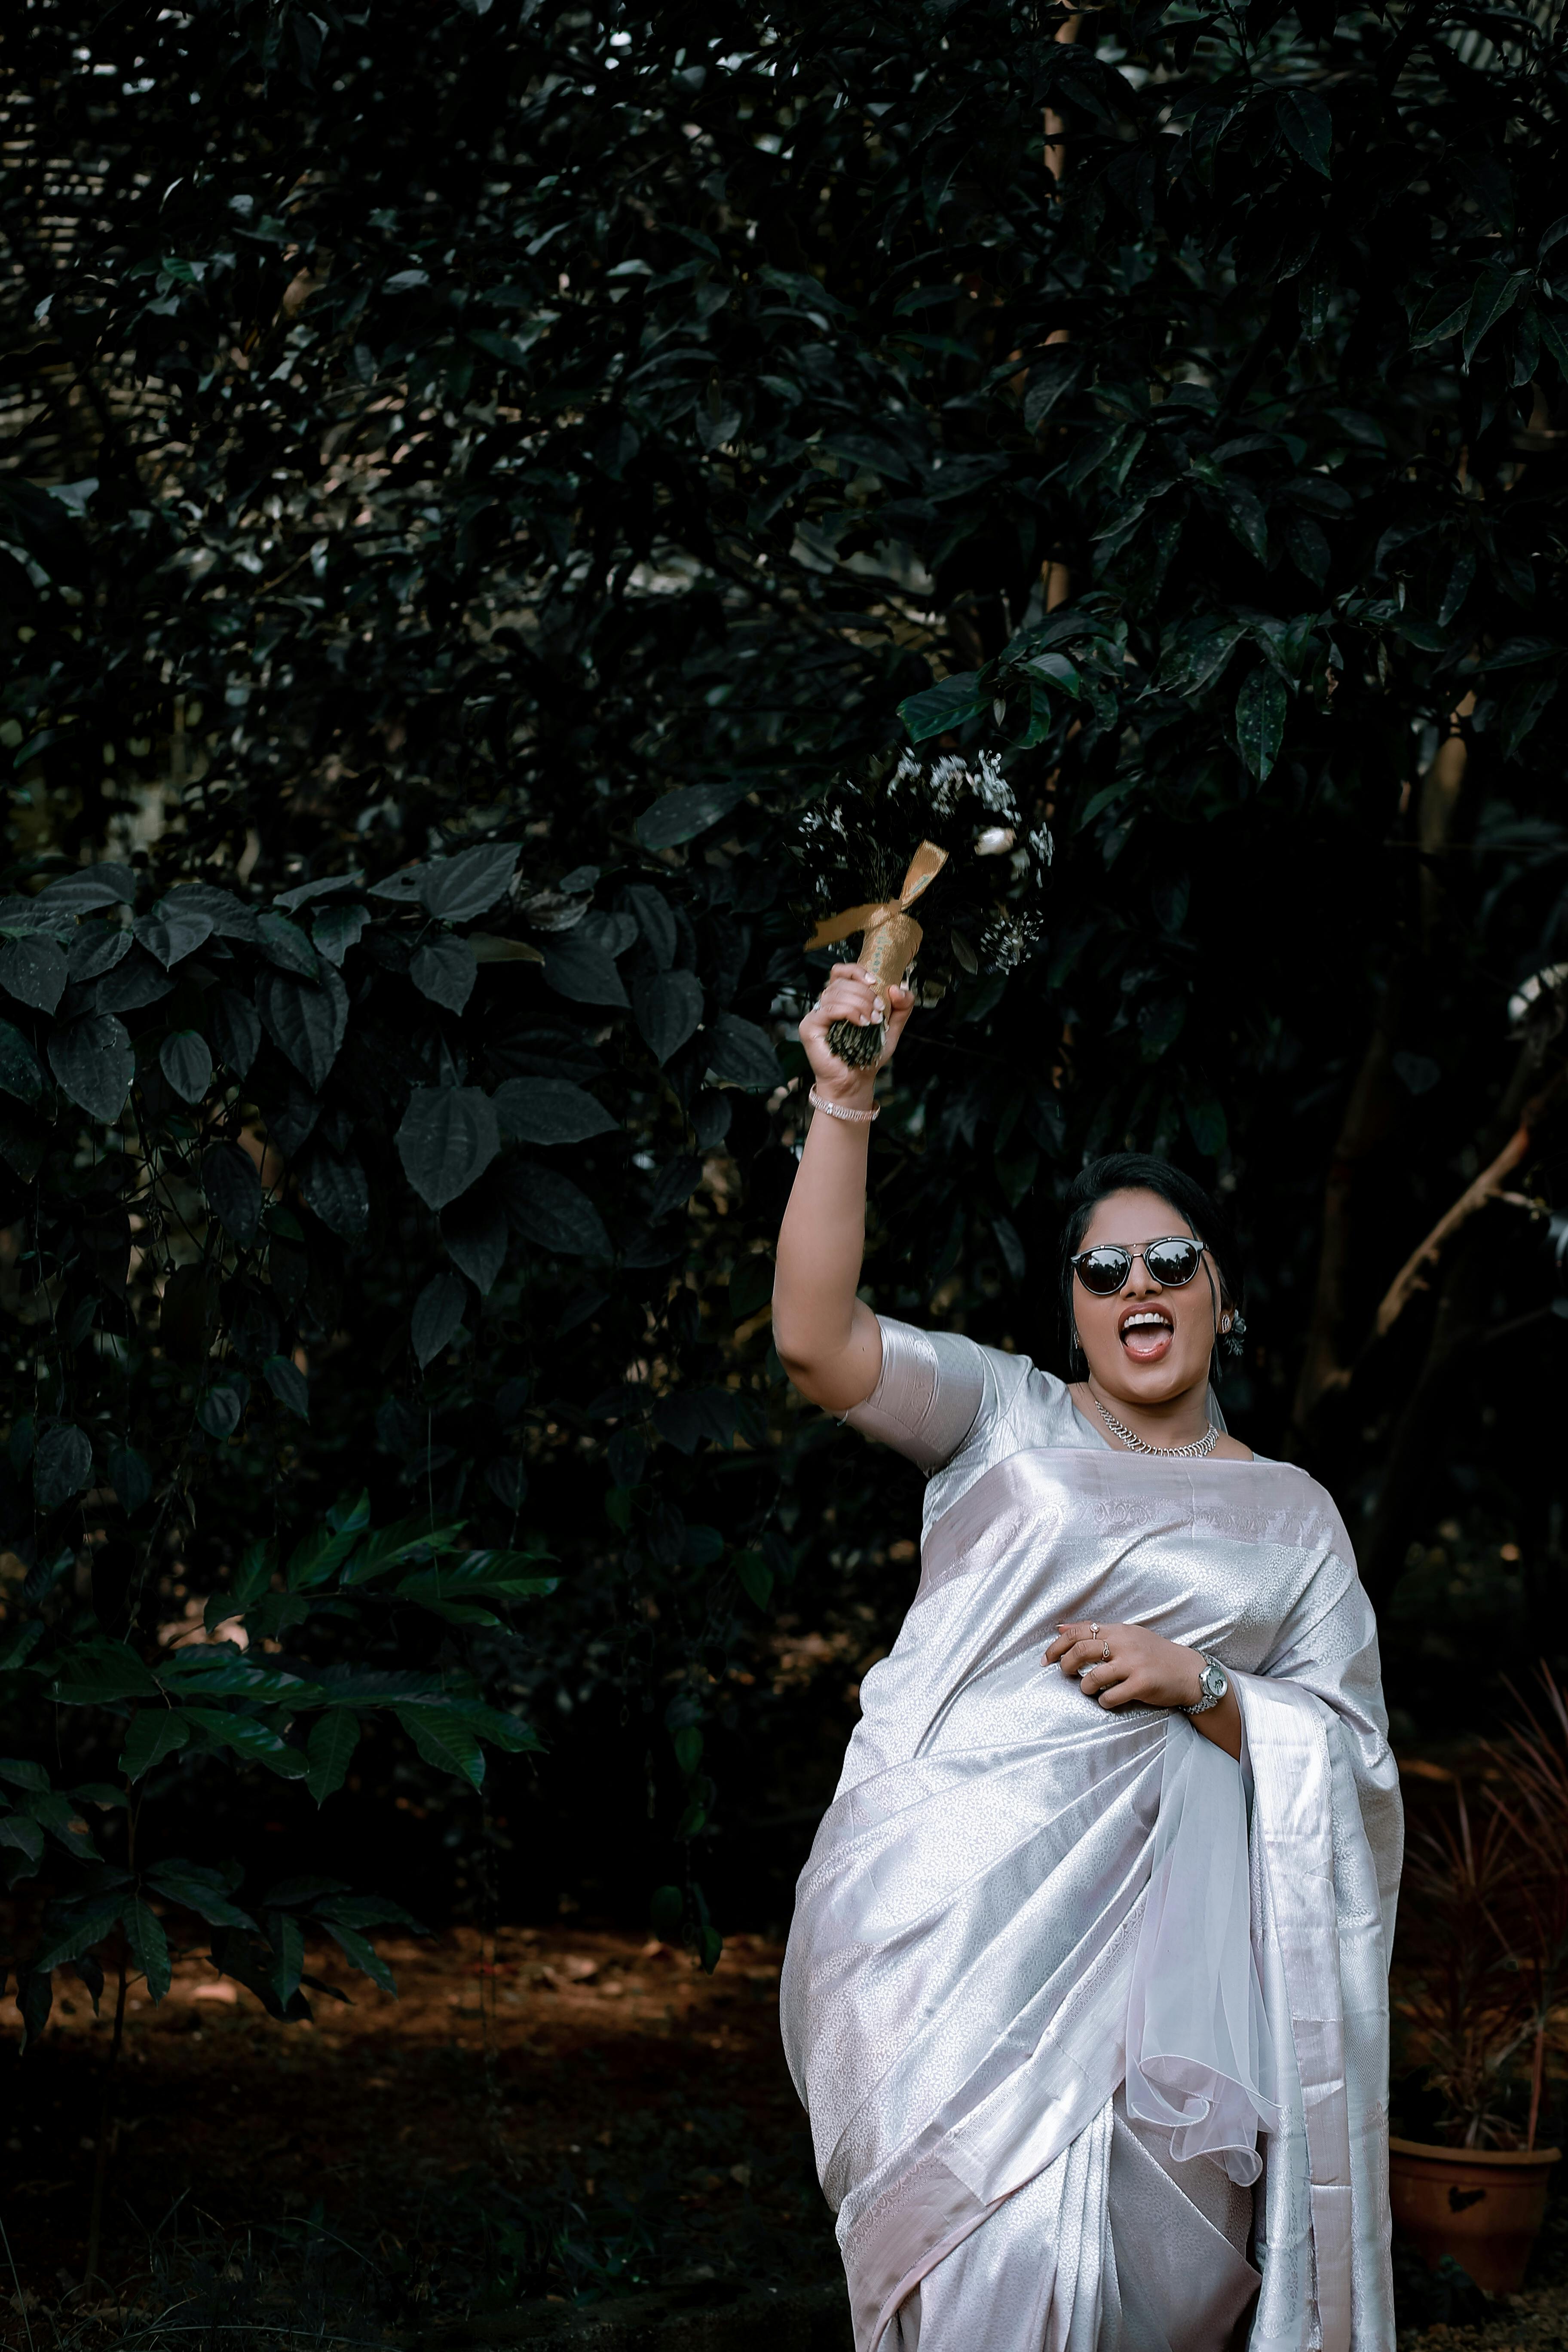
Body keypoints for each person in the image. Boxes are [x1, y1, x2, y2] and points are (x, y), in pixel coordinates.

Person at [773, 962, 1403, 2352]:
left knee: (1160, 2295)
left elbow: (1353, 1764)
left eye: (1174, 1262)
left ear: (1223, 1296)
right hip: (943, 1922)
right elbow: (816, 1344)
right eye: (1104, 1267)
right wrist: (844, 1094)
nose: (1140, 1285)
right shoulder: (1005, 1416)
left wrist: (1211, 1689)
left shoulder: (1293, 1514)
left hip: (1179, 1987)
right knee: (971, 2283)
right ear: (1070, 1308)